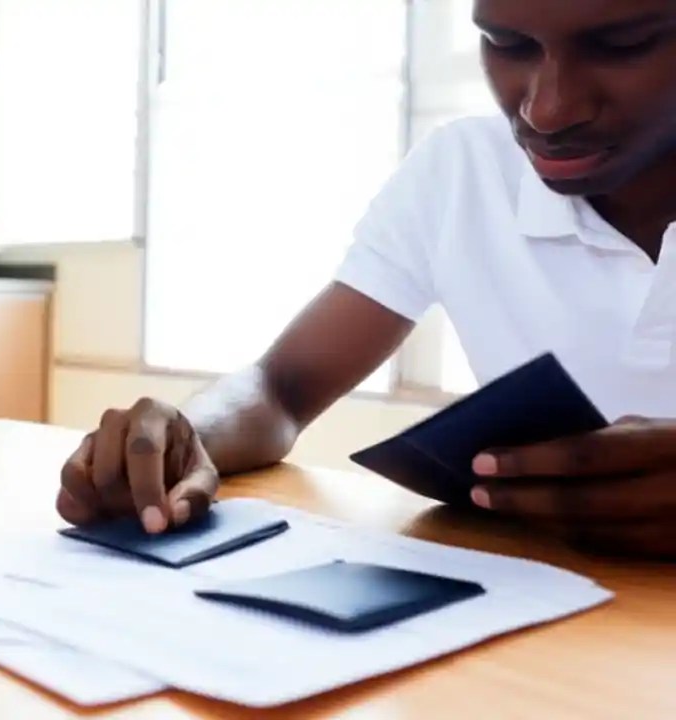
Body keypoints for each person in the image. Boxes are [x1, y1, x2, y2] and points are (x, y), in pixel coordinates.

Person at [59, 0, 676, 560]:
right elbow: (279, 388)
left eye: (622, 47)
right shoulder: (463, 170)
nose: (547, 109)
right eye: (508, 45)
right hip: (559, 610)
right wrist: (187, 435)